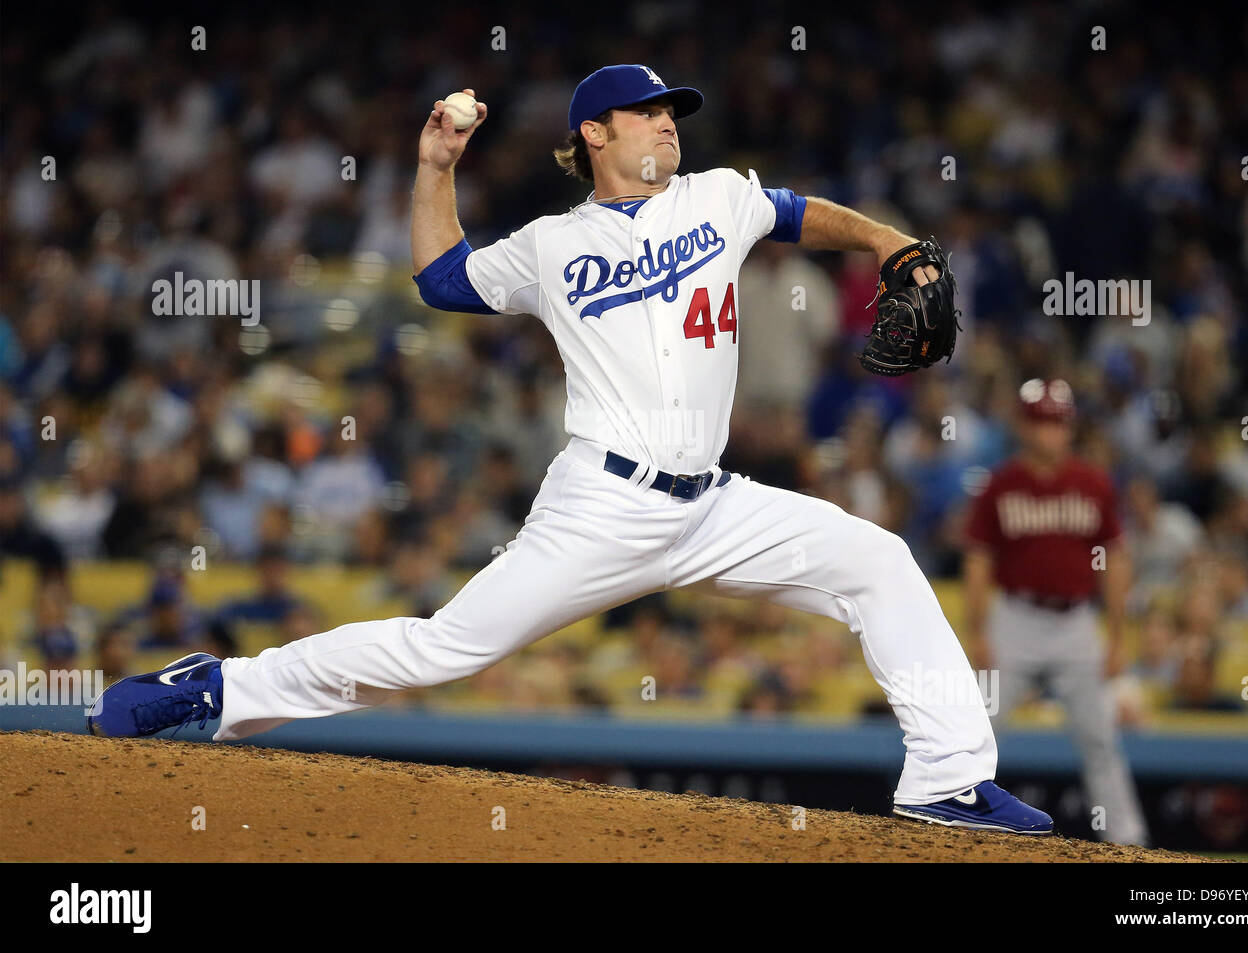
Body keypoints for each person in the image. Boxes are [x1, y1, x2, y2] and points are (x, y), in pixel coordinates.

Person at [89, 64, 1051, 835]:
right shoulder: (552, 243)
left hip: (715, 504)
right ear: (596, 133)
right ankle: (212, 689)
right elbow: (439, 278)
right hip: (602, 501)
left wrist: (896, 248)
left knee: (879, 560)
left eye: (673, 113)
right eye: (647, 113)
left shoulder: (717, 198)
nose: (669, 124)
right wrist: (435, 167)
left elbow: (804, 215)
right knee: (441, 647)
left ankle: (948, 783)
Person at [964, 378, 1148, 845]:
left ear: (1070, 427)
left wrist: (1117, 635)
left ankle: (1128, 845)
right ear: (1024, 425)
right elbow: (978, 560)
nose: (1051, 433)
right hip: (1015, 618)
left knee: (1100, 740)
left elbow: (1117, 559)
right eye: (1042, 422)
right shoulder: (1001, 485)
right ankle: (958, 832)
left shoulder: (1093, 483)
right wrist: (977, 630)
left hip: (1076, 623)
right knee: (978, 735)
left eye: (1058, 423)